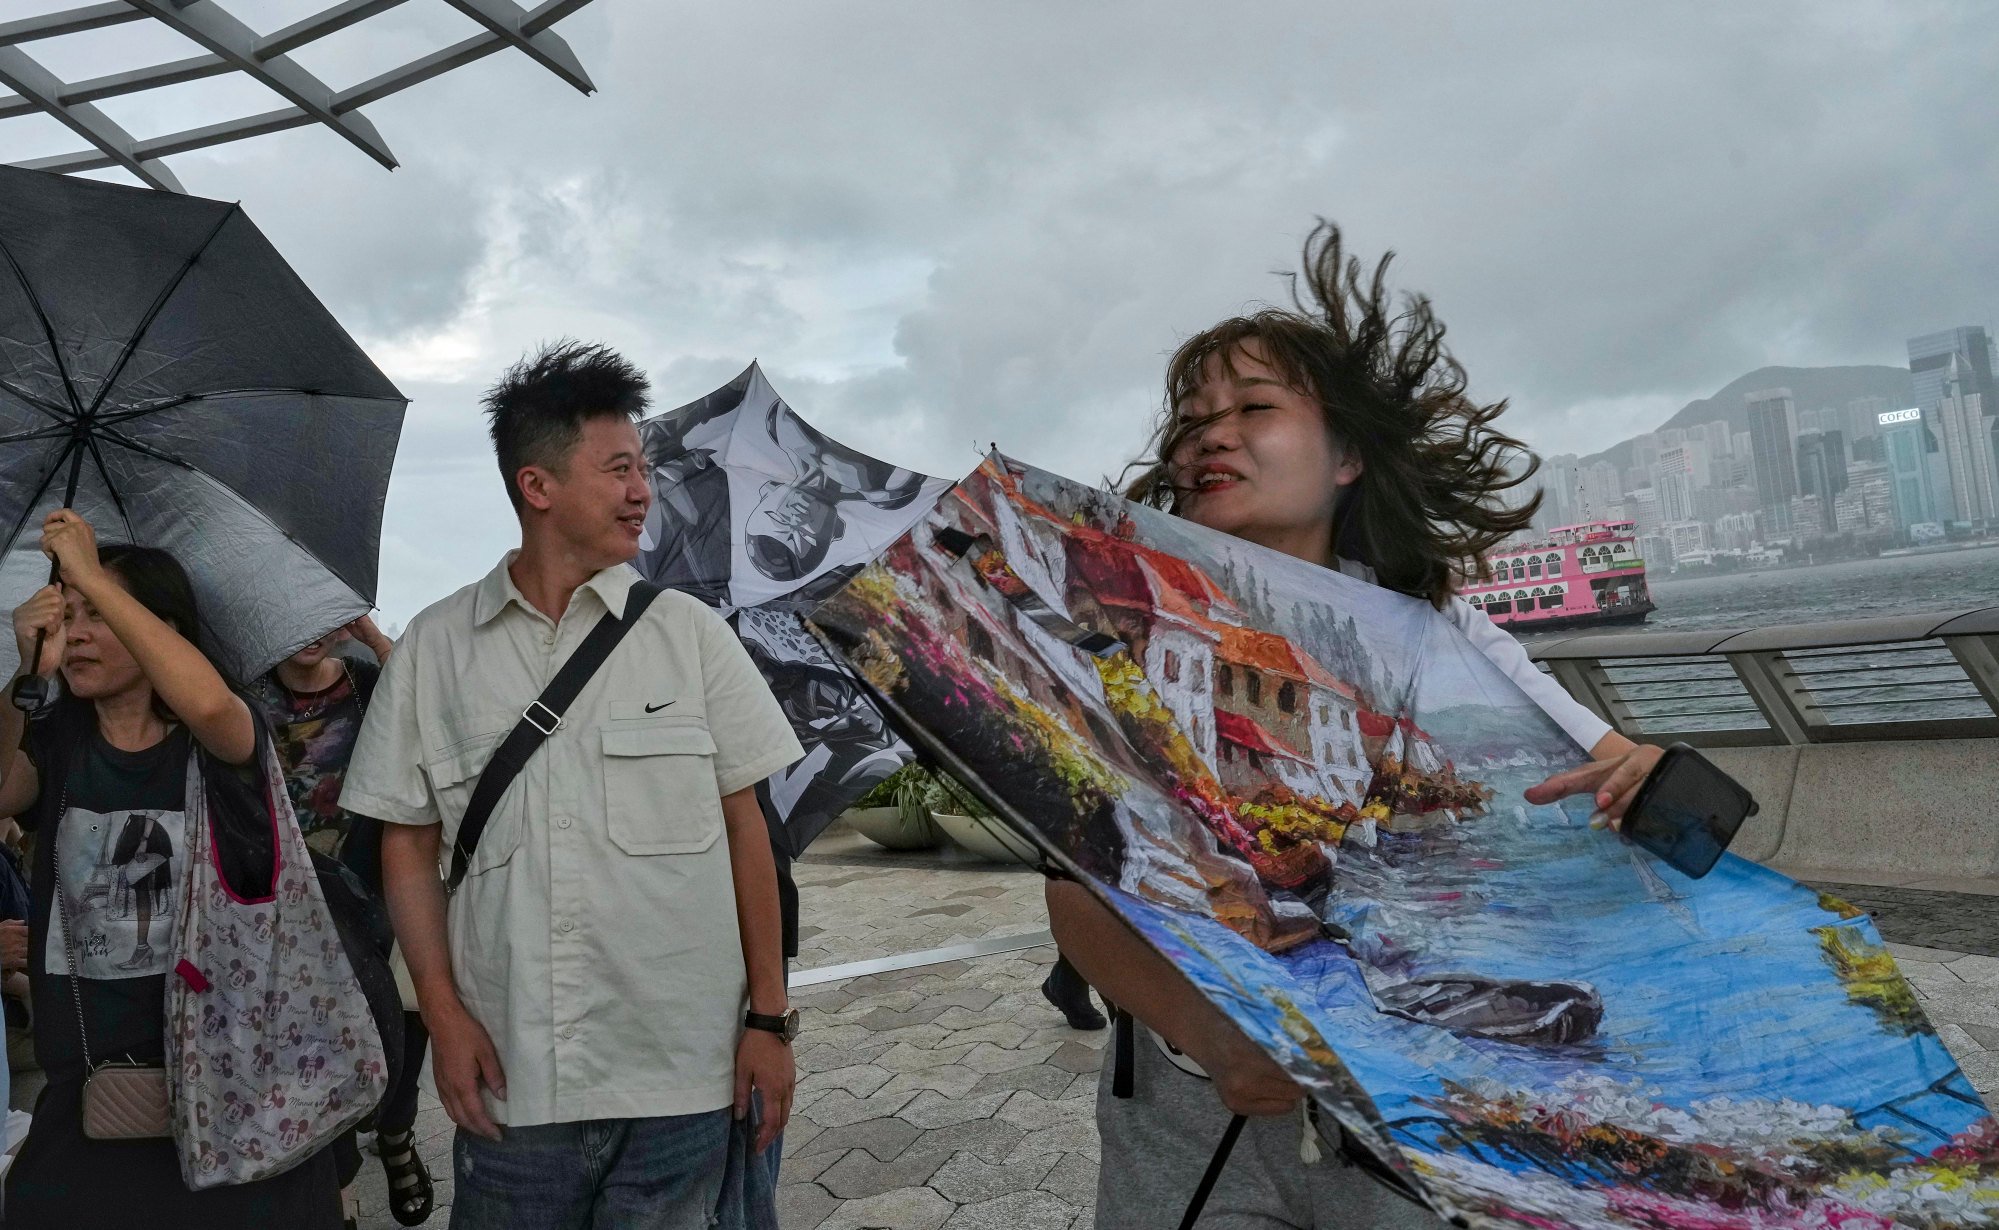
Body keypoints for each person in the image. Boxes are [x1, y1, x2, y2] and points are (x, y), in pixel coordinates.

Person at [1047, 222, 1675, 1229]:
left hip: (1409, 1102)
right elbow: (1076, 899)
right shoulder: (1121, 633)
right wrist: (1216, 1045)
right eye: (1193, 420)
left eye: (1254, 407)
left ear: (1345, 456)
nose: (1210, 434)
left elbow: (1609, 769)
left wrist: (1638, 775)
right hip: (1190, 1107)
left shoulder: (1437, 636)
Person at [341, 341, 804, 1230]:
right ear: (537, 486)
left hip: (684, 1072)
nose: (642, 491)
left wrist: (770, 1023)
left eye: (644, 470)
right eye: (618, 469)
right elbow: (408, 843)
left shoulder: (690, 636)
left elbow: (748, 831)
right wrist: (441, 1017)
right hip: (515, 1081)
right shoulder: (435, 650)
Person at [0, 511, 340, 1228]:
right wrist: (23, 673)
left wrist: (88, 569)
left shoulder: (219, 736)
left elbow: (213, 703)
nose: (78, 630)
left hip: (234, 1084)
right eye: (69, 612)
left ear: (165, 631)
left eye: (98, 614)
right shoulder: (57, 738)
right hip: (89, 1093)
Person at [251, 619, 435, 1227]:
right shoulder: (246, 691)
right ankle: (338, 1175)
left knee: (404, 1019)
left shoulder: (367, 681)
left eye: (324, 612)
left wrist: (372, 635)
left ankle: (397, 1130)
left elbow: (433, 708)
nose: (308, 628)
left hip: (373, 881)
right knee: (313, 1032)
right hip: (285, 895)